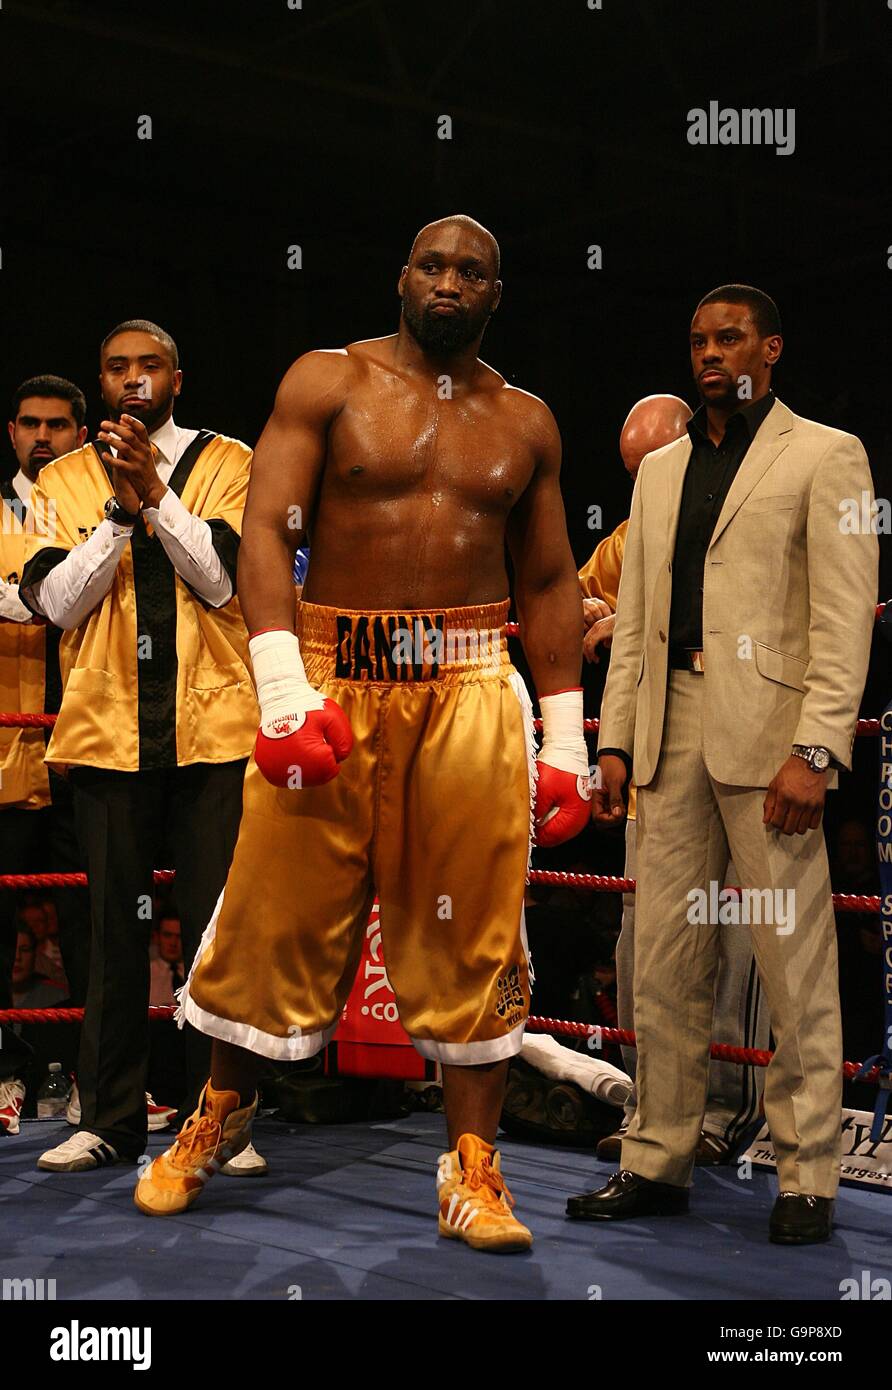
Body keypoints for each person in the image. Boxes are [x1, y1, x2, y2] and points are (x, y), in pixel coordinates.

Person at [134, 214, 591, 1252]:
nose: (449, 282)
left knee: (475, 925)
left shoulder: (526, 422)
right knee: (271, 905)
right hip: (337, 674)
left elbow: (553, 577)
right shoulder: (327, 381)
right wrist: (284, 686)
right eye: (432, 264)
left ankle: (472, 1170)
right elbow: (265, 529)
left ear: (493, 295)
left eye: (472, 271)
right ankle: (218, 1112)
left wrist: (564, 741)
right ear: (401, 277)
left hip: (470, 683)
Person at [568, 284, 878, 1245]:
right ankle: (657, 1155)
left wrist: (817, 750)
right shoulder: (658, 471)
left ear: (771, 348)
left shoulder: (829, 454)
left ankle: (808, 1173)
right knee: (661, 959)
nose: (711, 352)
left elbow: (842, 618)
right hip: (668, 728)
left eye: (730, 337)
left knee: (795, 968)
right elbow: (635, 629)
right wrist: (613, 738)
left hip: (775, 733)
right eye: (699, 339)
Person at [19, 320, 264, 1177]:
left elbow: (224, 580)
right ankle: (112, 1122)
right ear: (102, 379)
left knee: (215, 939)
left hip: (215, 728)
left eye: (148, 365)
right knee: (112, 941)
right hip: (105, 728)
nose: (132, 380)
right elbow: (51, 599)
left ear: (177, 377)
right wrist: (121, 520)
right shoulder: (58, 477)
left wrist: (156, 496)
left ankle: (219, 1122)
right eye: (117, 367)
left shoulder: (229, 460)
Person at [582, 395, 771, 1164]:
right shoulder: (633, 532)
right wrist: (593, 614)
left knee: (734, 933)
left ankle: (725, 1112)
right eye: (630, 475)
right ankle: (653, 1107)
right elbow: (572, 599)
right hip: (654, 748)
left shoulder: (750, 506)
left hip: (743, 735)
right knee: (648, 937)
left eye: (650, 467)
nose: (643, 483)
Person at [0, 376, 91, 1135]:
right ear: (11, 431)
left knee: (91, 921)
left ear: (80, 433)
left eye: (57, 424)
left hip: (87, 748)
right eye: (29, 423)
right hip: (4, 752)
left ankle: (93, 1077)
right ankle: (6, 1074)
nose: (41, 436)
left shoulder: (106, 508)